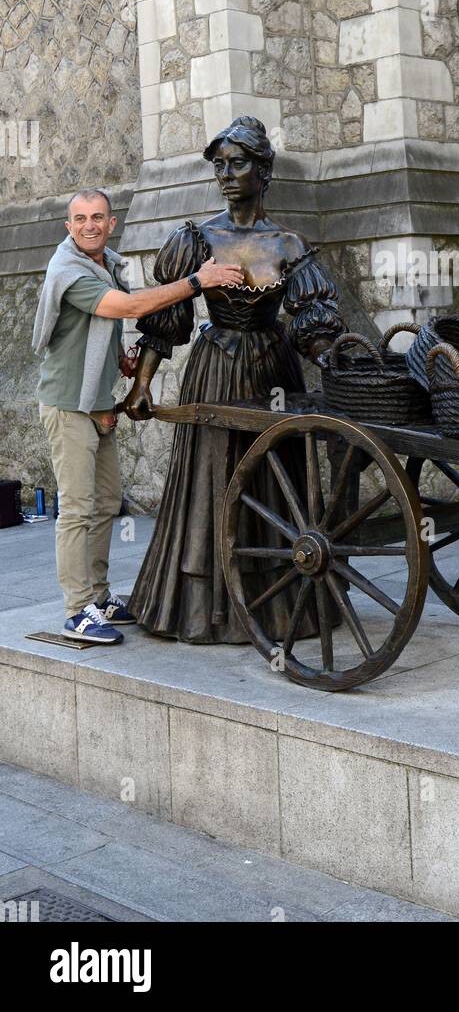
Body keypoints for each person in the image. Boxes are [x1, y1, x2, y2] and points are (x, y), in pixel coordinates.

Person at [122, 116, 345, 643]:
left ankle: (280, 602)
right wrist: (143, 383)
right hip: (216, 369)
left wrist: (338, 362)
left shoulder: (288, 244)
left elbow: (314, 325)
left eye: (238, 163)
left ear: (263, 170)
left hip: (273, 365)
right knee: (212, 480)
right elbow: (167, 322)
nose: (226, 174)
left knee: (276, 478)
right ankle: (204, 608)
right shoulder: (196, 238)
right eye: (219, 164)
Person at [32, 189, 244, 644]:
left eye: (98, 217)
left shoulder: (106, 262)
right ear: (68, 227)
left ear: (111, 223)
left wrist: (123, 365)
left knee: (107, 503)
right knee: (76, 509)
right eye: (80, 219)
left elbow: (100, 329)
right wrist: (196, 282)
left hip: (98, 402)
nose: (89, 225)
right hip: (69, 405)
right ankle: (76, 611)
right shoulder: (69, 269)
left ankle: (100, 596)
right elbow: (126, 309)